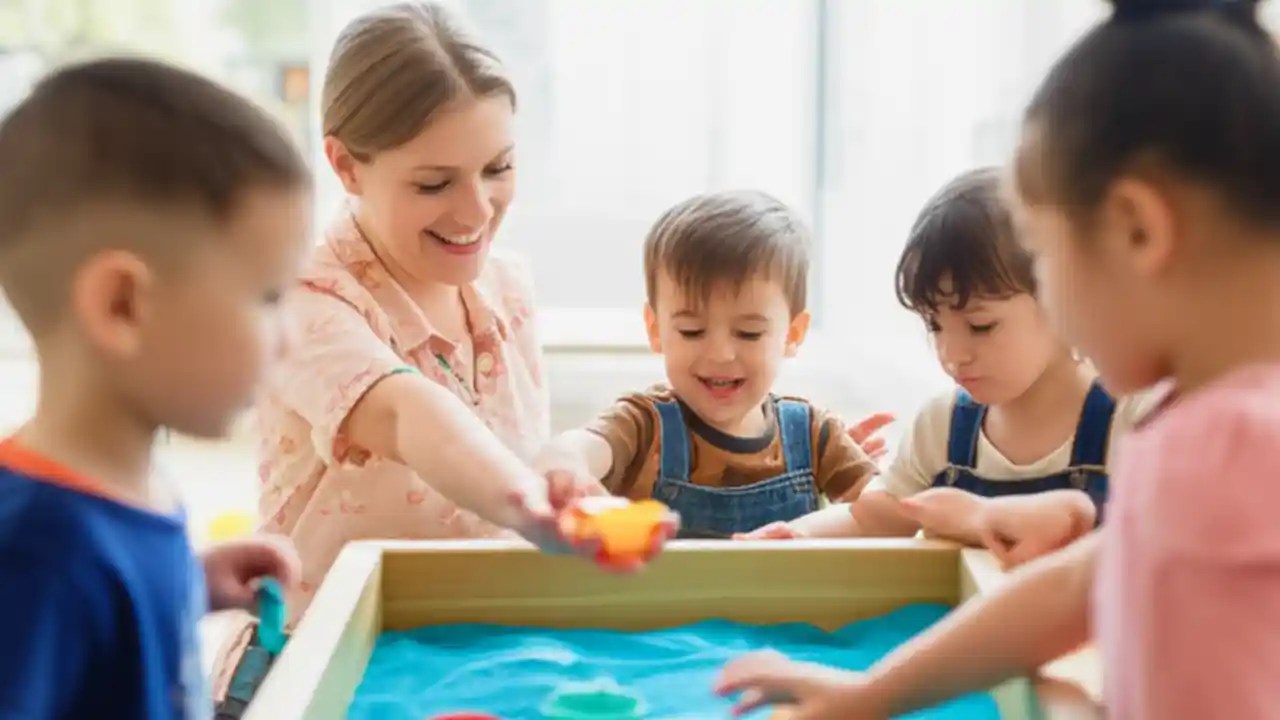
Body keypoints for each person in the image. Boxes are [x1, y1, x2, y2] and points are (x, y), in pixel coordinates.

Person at [718, 0, 1280, 717]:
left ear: (1138, 230)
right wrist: (869, 696)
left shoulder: (1222, 446)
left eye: (1044, 258)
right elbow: (1072, 592)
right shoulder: (1209, 425)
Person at [0, 58, 307, 719]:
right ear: (123, 306)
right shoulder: (37, 555)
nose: (292, 339)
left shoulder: (110, 497)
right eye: (269, 298)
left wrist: (190, 585)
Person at [740, 168, 1151, 556]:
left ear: (1063, 298)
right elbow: (874, 518)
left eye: (981, 325)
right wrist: (796, 534)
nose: (952, 355)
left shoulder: (1130, 416)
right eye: (935, 325)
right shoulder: (944, 425)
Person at [534, 191, 877, 537]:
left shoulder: (814, 435)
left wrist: (801, 533)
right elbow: (580, 448)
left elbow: (886, 511)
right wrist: (565, 463)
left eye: (748, 333)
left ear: (793, 334)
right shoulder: (642, 425)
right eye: (691, 331)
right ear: (656, 330)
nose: (720, 355)